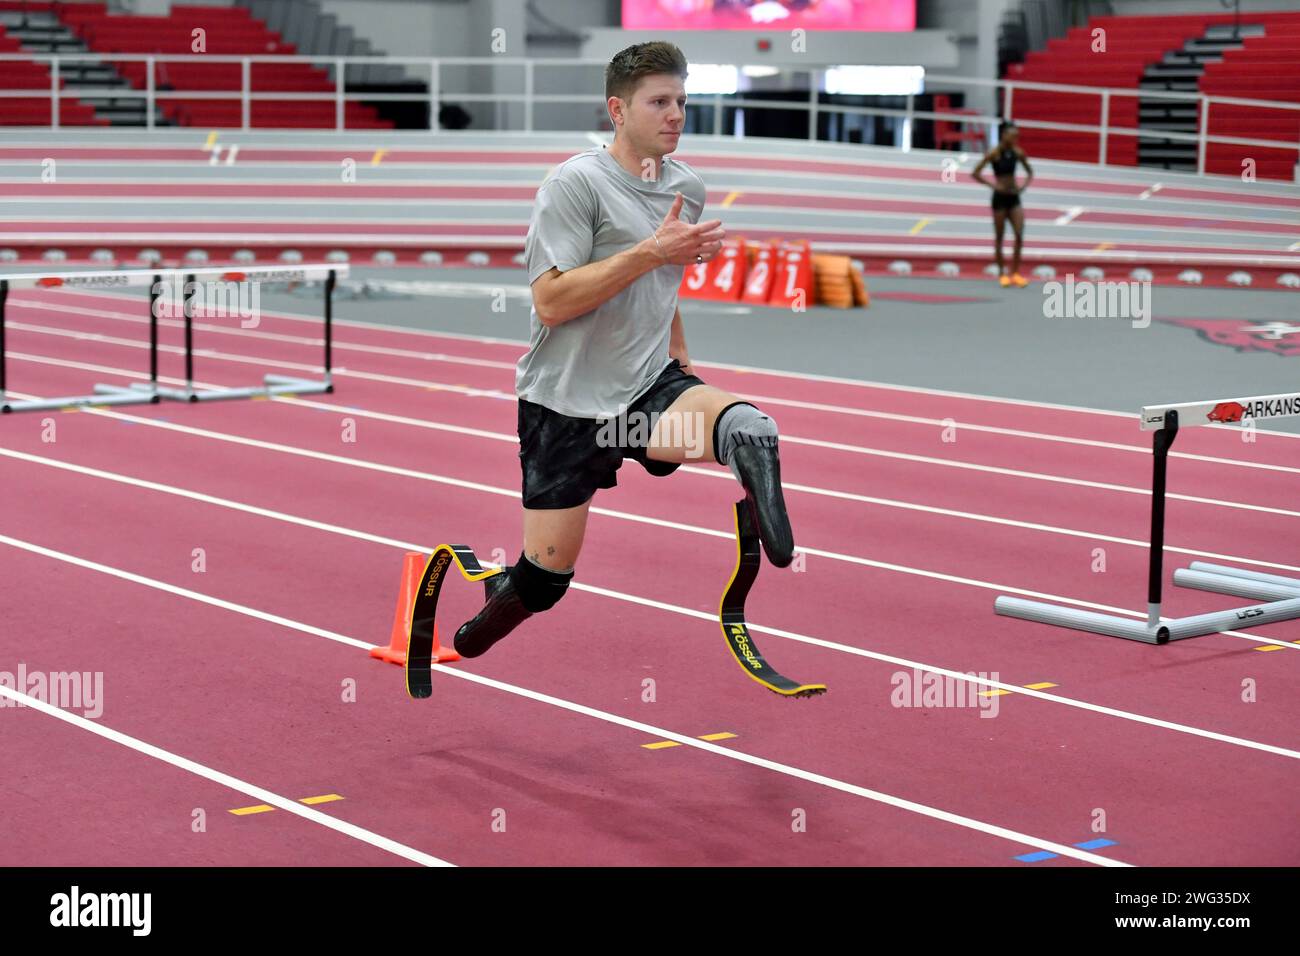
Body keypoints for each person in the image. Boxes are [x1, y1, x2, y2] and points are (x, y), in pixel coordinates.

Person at [453, 41, 796, 659]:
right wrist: (651, 253)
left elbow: (664, 285)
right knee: (544, 582)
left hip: (644, 390)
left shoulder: (687, 187)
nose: (676, 116)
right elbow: (552, 302)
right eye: (659, 102)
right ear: (617, 109)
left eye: (683, 103)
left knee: (748, 428)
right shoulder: (574, 184)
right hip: (563, 406)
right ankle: (474, 624)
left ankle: (770, 533)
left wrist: (682, 354)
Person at [973, 122, 1034, 287]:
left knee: (1019, 234)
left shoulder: (1017, 152)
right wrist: (993, 185)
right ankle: (1002, 274)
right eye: (1012, 135)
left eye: (1017, 136)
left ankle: (1015, 273)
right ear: (1004, 135)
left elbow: (1030, 172)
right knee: (999, 237)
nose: (1015, 138)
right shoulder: (994, 153)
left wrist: (1023, 186)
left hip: (1014, 197)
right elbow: (975, 173)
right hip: (999, 198)